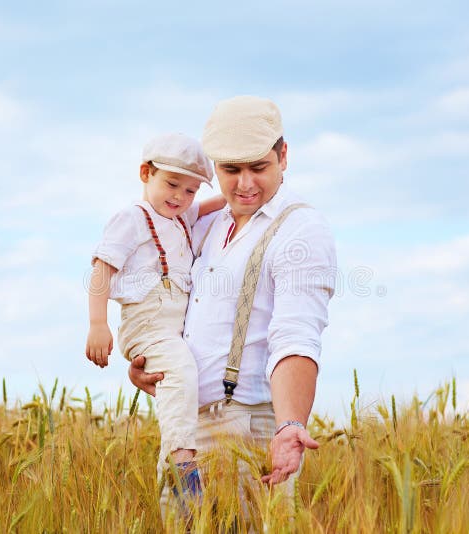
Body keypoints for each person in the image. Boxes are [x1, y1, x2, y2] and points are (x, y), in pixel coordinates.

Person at [129, 96, 337, 518]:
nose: (244, 184)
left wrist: (290, 424)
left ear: (283, 155)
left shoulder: (300, 229)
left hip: (248, 427)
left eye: (258, 168)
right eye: (230, 170)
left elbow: (296, 336)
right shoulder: (208, 222)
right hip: (185, 428)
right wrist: (145, 357)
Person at [85, 133, 226, 499]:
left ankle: (176, 469)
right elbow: (102, 268)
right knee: (180, 368)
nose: (180, 197)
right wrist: (98, 324)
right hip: (146, 320)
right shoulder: (132, 218)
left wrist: (240, 189)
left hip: (172, 324)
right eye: (172, 184)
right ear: (146, 173)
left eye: (190, 190)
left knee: (182, 377)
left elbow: (213, 205)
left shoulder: (179, 217)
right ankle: (182, 460)